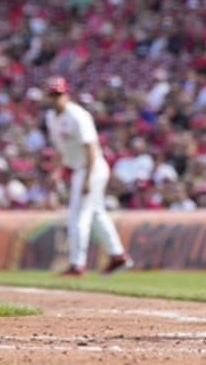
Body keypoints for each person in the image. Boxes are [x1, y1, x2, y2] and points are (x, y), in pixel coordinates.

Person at [43, 76, 133, 276]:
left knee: (78, 217)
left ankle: (77, 264)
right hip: (80, 168)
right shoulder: (52, 117)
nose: (56, 98)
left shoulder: (78, 115)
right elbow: (60, 148)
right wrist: (56, 170)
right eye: (52, 95)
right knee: (97, 213)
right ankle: (118, 256)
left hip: (91, 168)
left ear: (66, 94)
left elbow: (91, 149)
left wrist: (86, 179)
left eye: (59, 94)